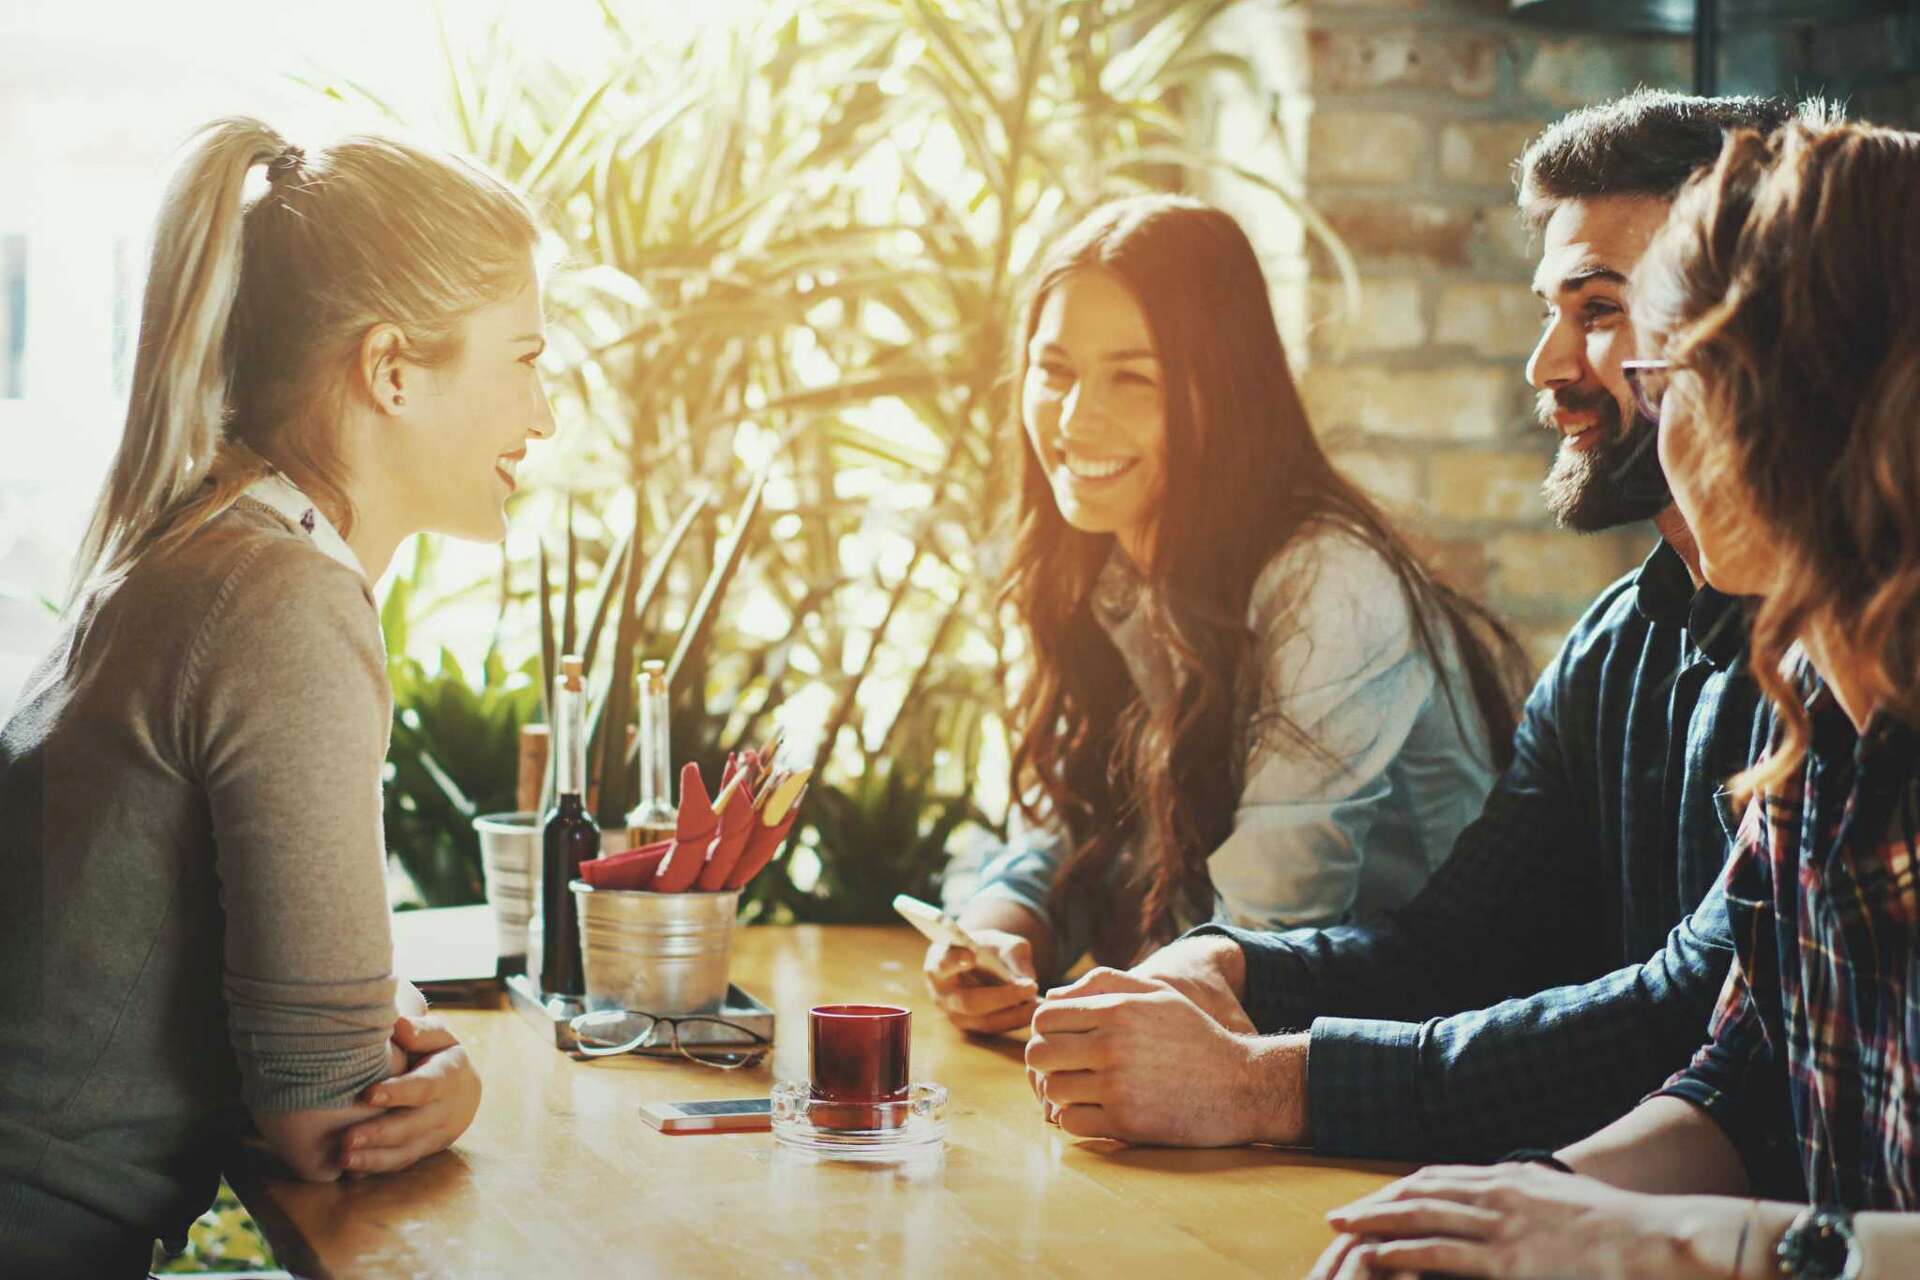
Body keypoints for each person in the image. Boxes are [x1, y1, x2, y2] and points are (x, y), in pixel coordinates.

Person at [1023, 90, 1808, 1159]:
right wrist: (1239, 965)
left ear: (1735, 325)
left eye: (1601, 311)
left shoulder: (1845, 654)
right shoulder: (1621, 638)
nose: (1545, 367)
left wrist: (1268, 1084)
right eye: (1552, 310)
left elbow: (1691, 1013)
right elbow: (1462, 940)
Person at [1311, 113, 1920, 1280]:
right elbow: (1732, 1085)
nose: (1662, 419)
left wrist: (1668, 1244)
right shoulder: (1813, 716)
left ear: (1826, 398)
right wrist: (1522, 1204)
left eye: (1674, 369)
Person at [0, 118, 553, 1276]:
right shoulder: (282, 603)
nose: (542, 415)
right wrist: (445, 1089)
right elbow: (329, 1122)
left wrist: (382, 1036)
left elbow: (288, 984)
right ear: (393, 367)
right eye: (524, 360)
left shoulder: (208, 538)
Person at [926, 193, 1528, 1036]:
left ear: (1224, 389)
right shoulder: (1104, 559)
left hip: (1410, 1070)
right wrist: (995, 934)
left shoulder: (1326, 580)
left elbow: (1267, 937)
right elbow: (1075, 825)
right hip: (1230, 1058)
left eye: (1132, 377)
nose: (1072, 417)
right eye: (1054, 369)